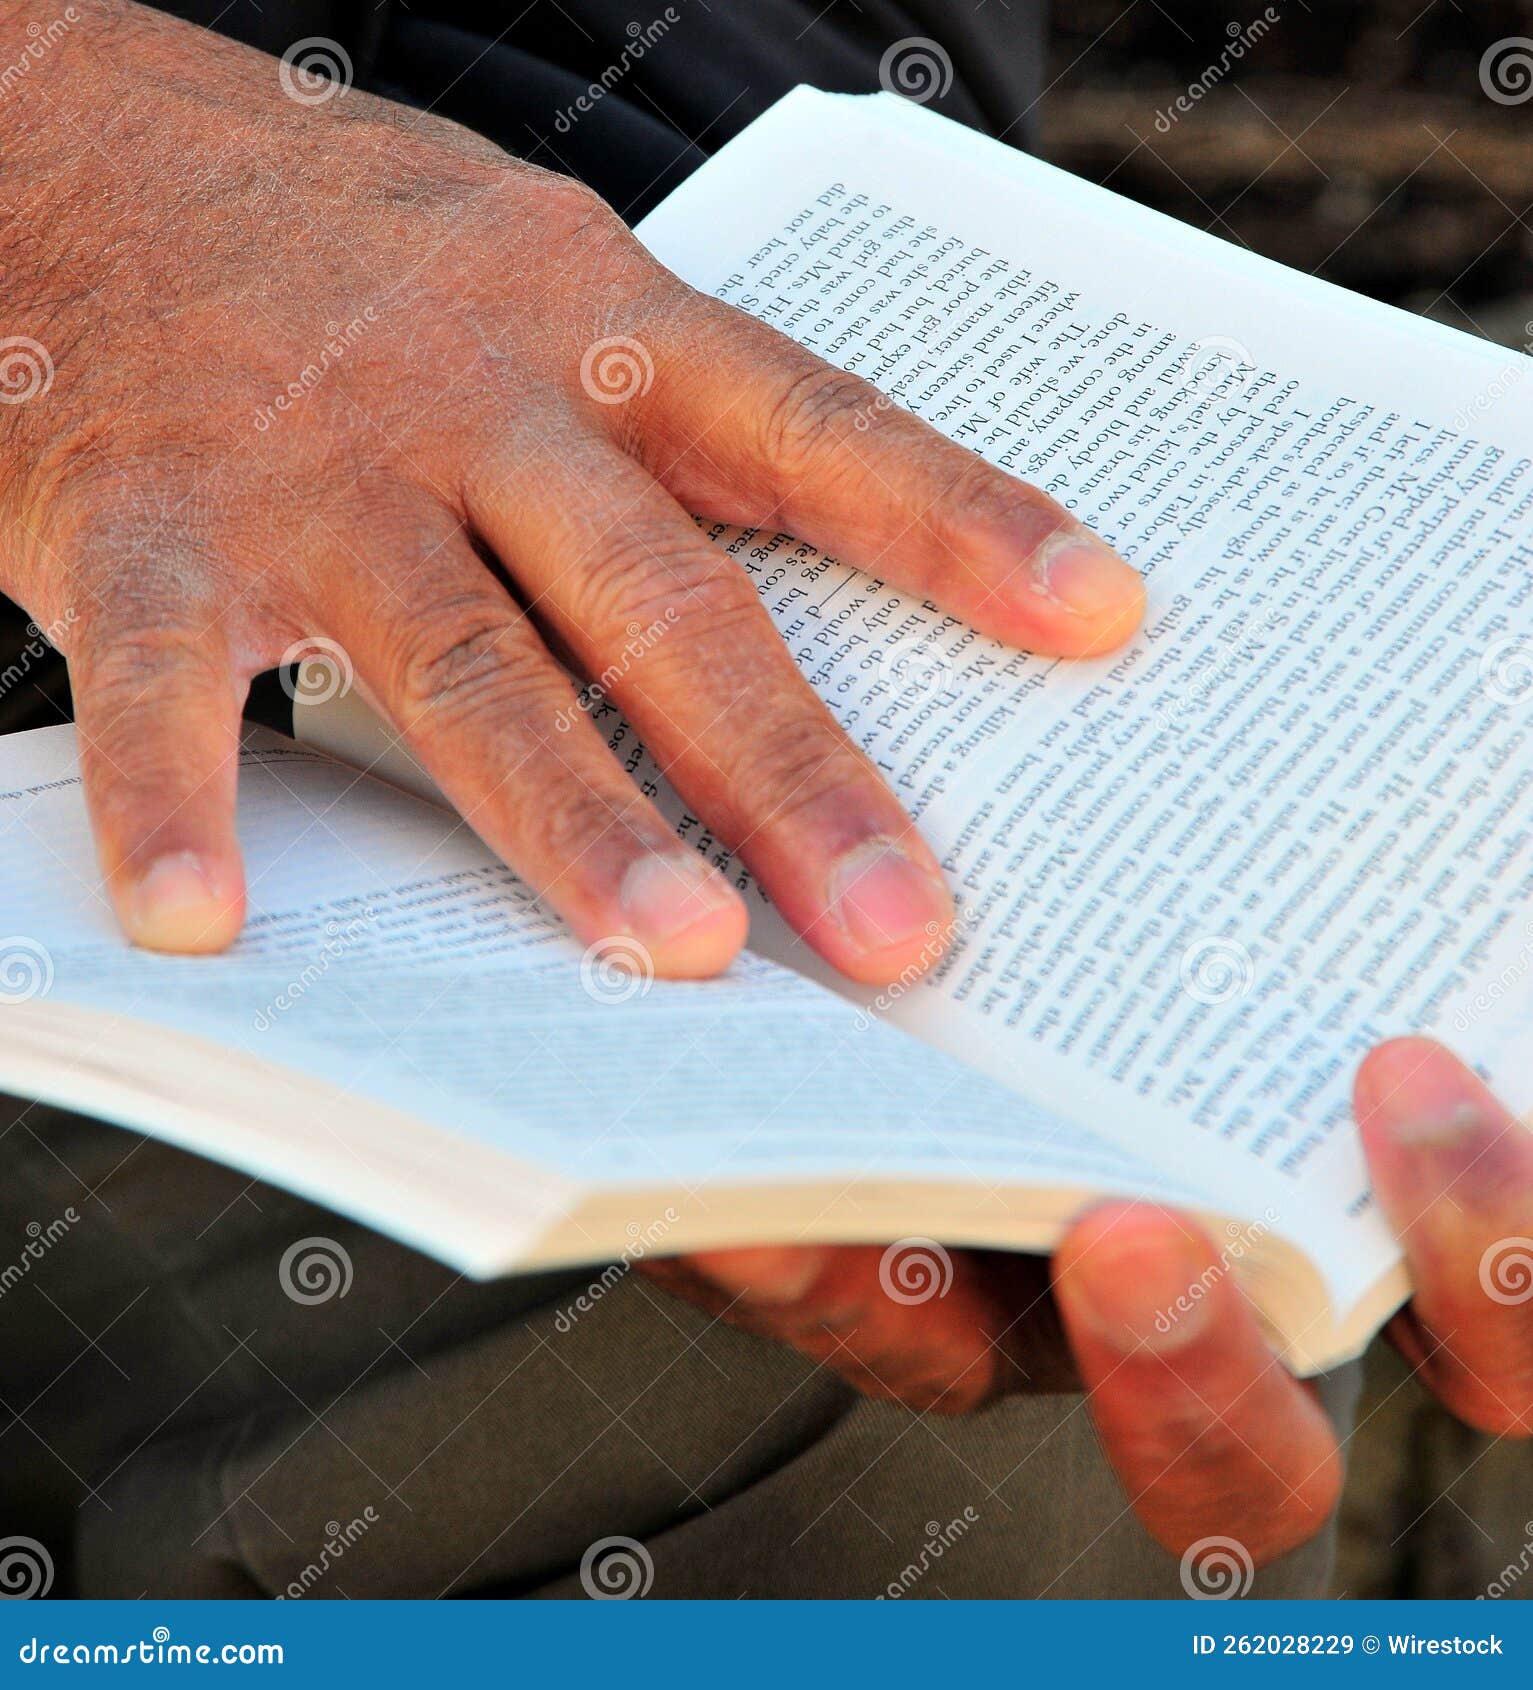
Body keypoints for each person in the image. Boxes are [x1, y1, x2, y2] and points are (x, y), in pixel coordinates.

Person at [0, 0, 1525, 1599]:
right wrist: (67, 166)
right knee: (816, 1447)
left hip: (732, 305)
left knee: (1132, 1278)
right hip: (114, 692)